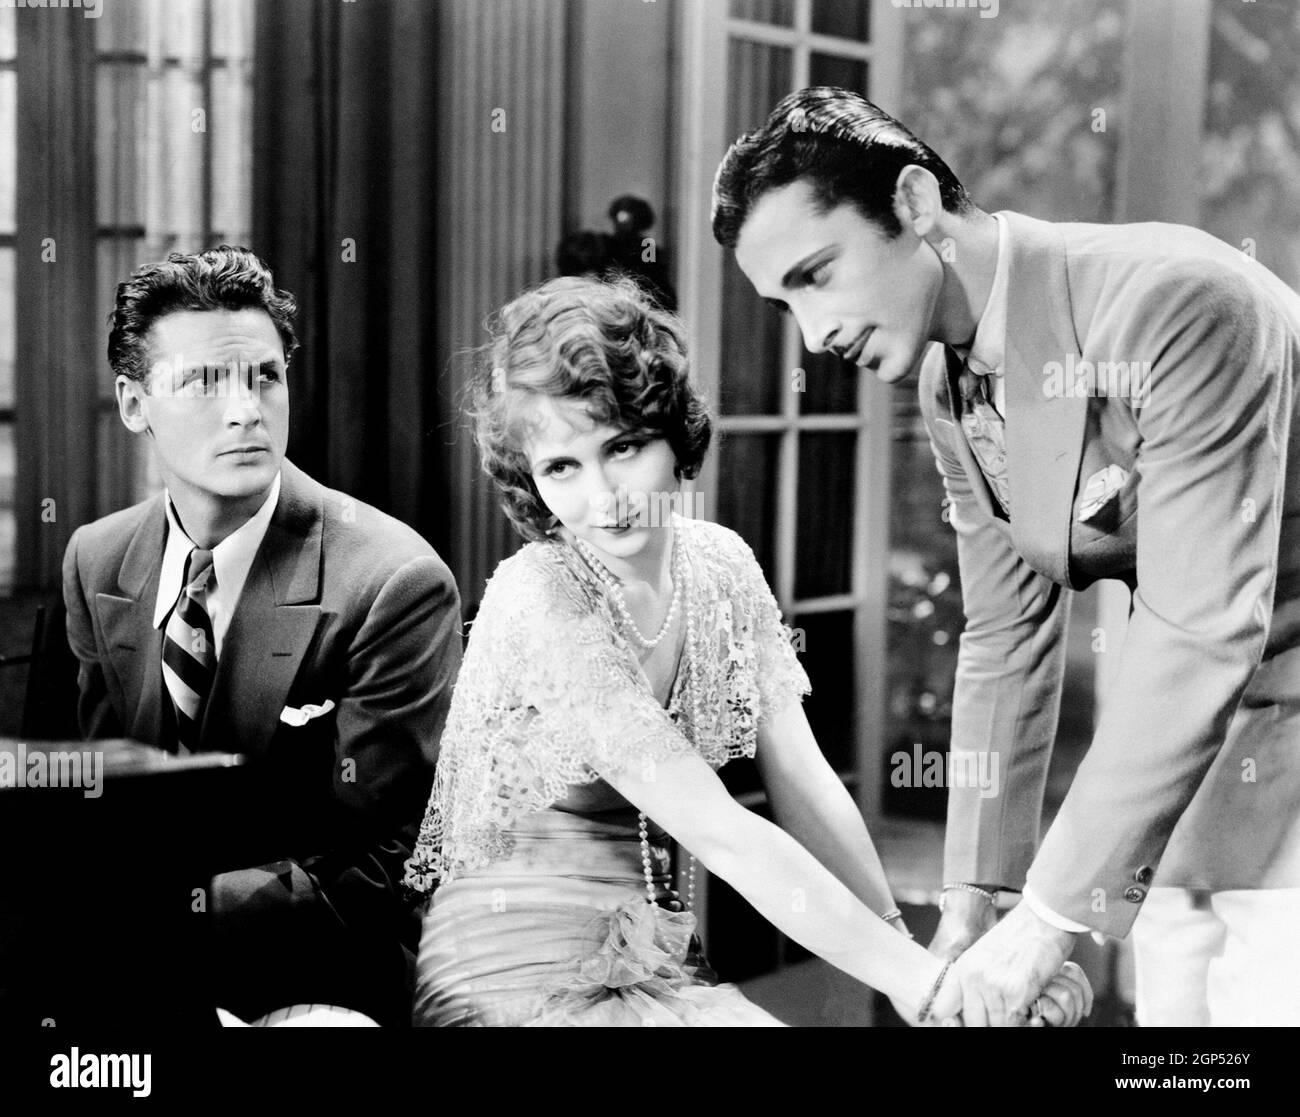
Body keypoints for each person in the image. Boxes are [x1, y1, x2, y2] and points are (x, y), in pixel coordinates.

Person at [712, 86, 1300, 1026]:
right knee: (1179, 1037)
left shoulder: (1178, 301)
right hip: (1216, 740)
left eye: (816, 274)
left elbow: (1199, 626)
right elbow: (1005, 637)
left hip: (1252, 702)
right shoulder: (949, 382)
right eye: (785, 305)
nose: (814, 337)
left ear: (913, 203)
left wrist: (1050, 918)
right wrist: (973, 907)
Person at [404, 275, 1090, 1027]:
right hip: (508, 961)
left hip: (643, 948)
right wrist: (931, 990)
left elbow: (805, 782)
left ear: (672, 434)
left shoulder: (718, 563)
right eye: (561, 468)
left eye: (623, 446)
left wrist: (913, 961)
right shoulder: (540, 597)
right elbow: (718, 830)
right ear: (531, 481)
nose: (603, 496)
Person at [63, 246, 463, 1026]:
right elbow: (93, 795)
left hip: (318, 972)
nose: (245, 407)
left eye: (265, 376)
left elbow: (391, 864)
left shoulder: (392, 580)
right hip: (129, 968)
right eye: (204, 381)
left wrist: (168, 917)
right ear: (133, 403)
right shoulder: (96, 556)